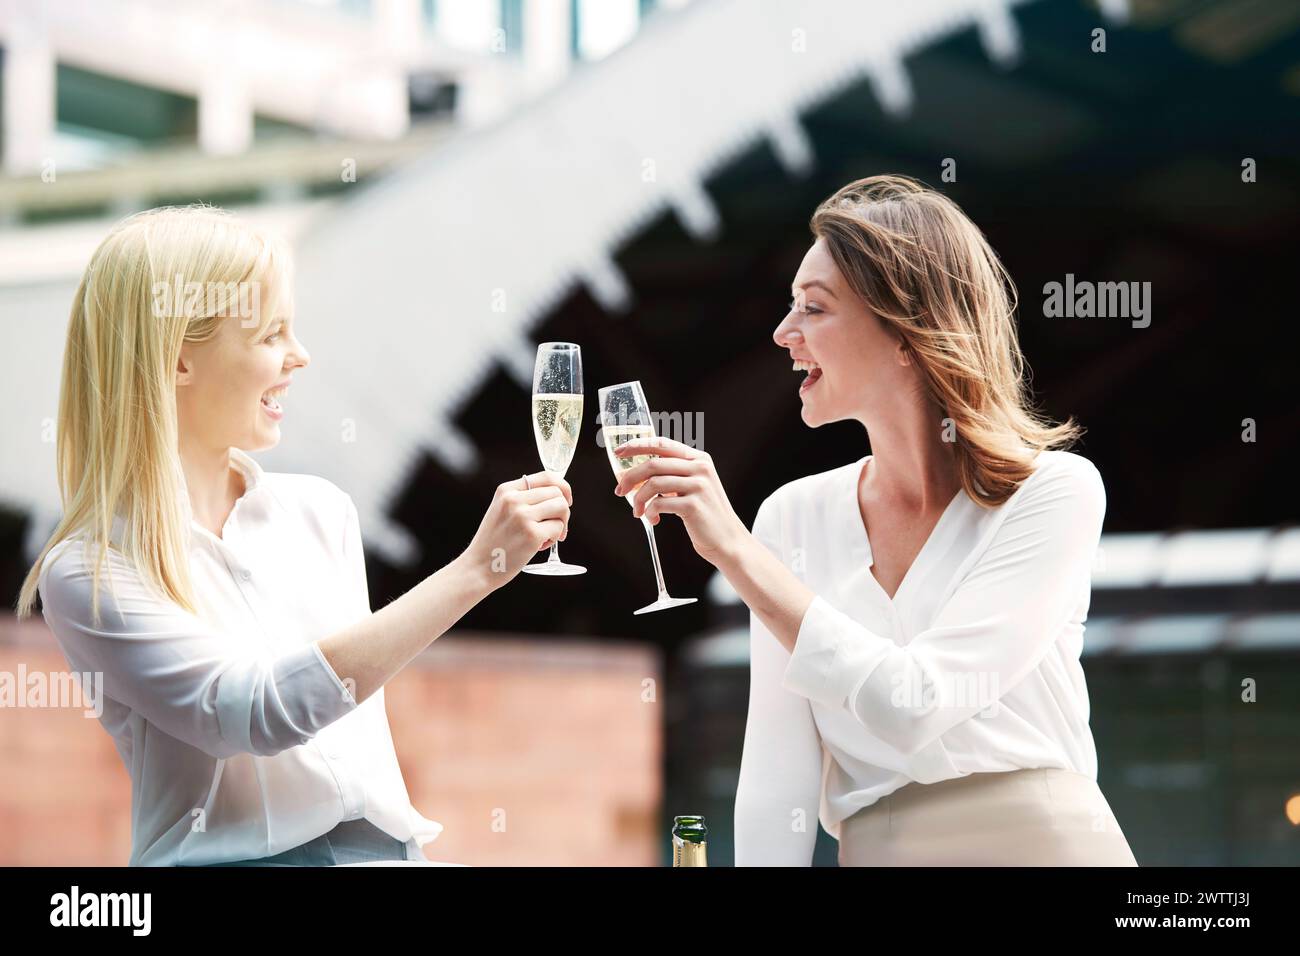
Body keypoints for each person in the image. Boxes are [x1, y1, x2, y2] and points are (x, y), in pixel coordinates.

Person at [15, 205, 571, 866]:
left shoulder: (322, 512)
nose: (299, 356)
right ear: (179, 360)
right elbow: (249, 712)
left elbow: (343, 717)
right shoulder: (89, 569)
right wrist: (476, 571)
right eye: (271, 334)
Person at [609, 174, 1138, 866]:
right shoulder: (791, 518)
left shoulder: (1054, 493)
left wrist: (734, 552)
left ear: (906, 334)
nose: (783, 332)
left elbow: (916, 702)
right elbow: (776, 782)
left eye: (814, 308)